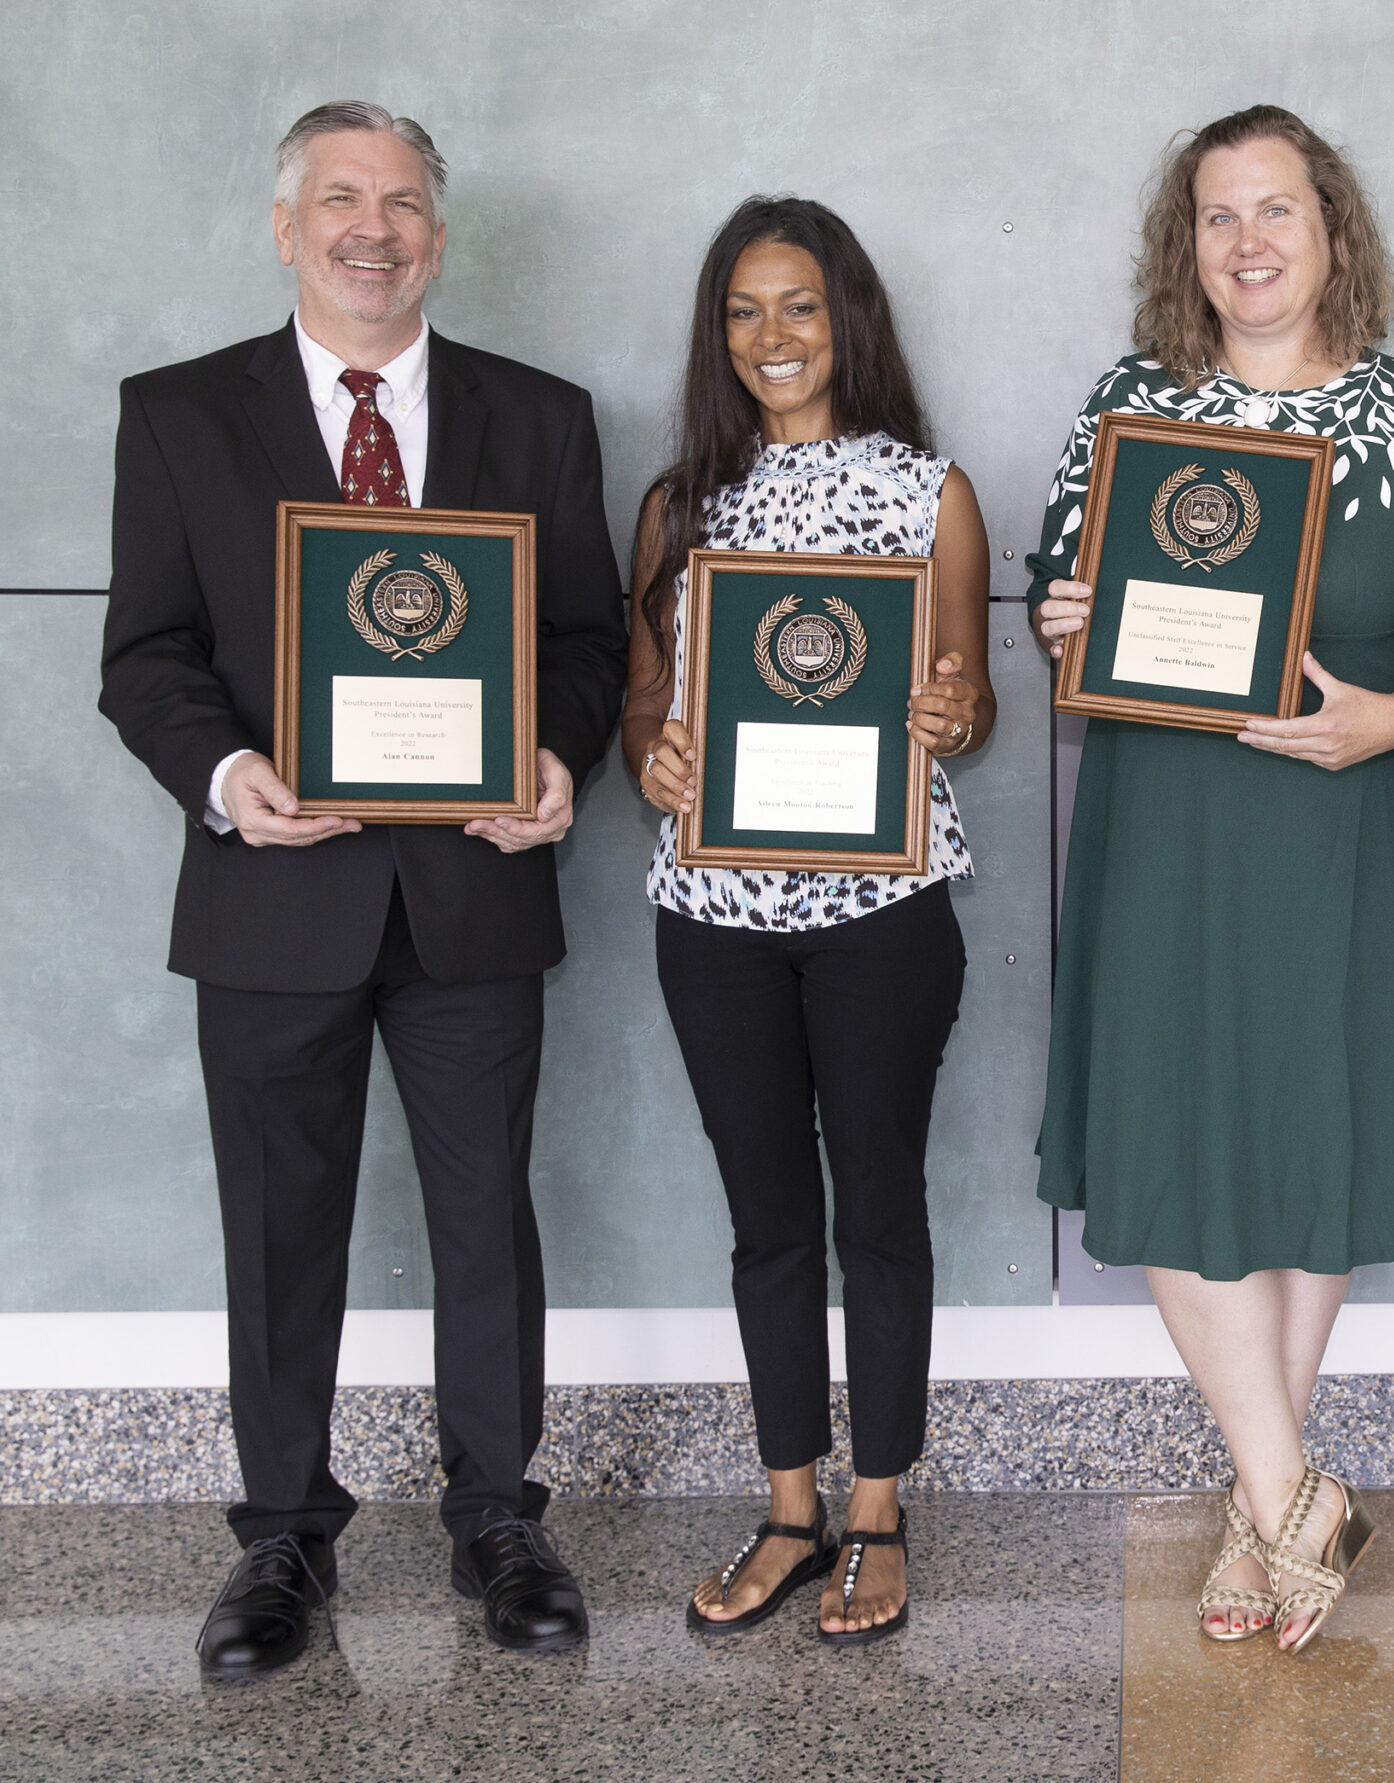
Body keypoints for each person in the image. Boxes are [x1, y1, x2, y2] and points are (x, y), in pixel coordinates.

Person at [98, 102, 627, 1677]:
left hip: (472, 888)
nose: (372, 229)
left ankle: (498, 1521)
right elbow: (146, 658)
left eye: (403, 203)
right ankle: (278, 1538)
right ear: (287, 227)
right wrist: (222, 777)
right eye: (340, 199)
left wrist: (556, 758)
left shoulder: (540, 417)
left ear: (439, 238)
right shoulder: (180, 415)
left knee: (485, 1217)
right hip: (271, 890)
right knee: (276, 1227)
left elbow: (590, 645)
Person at [1029, 104, 1394, 1651]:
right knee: (1173, 1118)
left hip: (1355, 817)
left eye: (1277, 211)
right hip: (1172, 821)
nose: (1250, 243)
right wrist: (1065, 624)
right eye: (1220, 218)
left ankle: (1264, 1511)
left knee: (1318, 1139)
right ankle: (1291, 1486)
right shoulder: (1132, 401)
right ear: (1191, 248)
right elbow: (1062, 595)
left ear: (1331, 230)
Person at [623, 196, 994, 1643]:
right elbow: (646, 710)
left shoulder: (929, 490)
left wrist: (957, 710)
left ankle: (882, 1508)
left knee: (879, 1209)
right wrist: (652, 755)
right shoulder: (676, 505)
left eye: (799, 306)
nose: (772, 338)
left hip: (883, 907)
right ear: (717, 336)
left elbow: (967, 699)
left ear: (851, 320)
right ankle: (791, 1504)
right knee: (765, 1218)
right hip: (712, 913)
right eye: (742, 311)